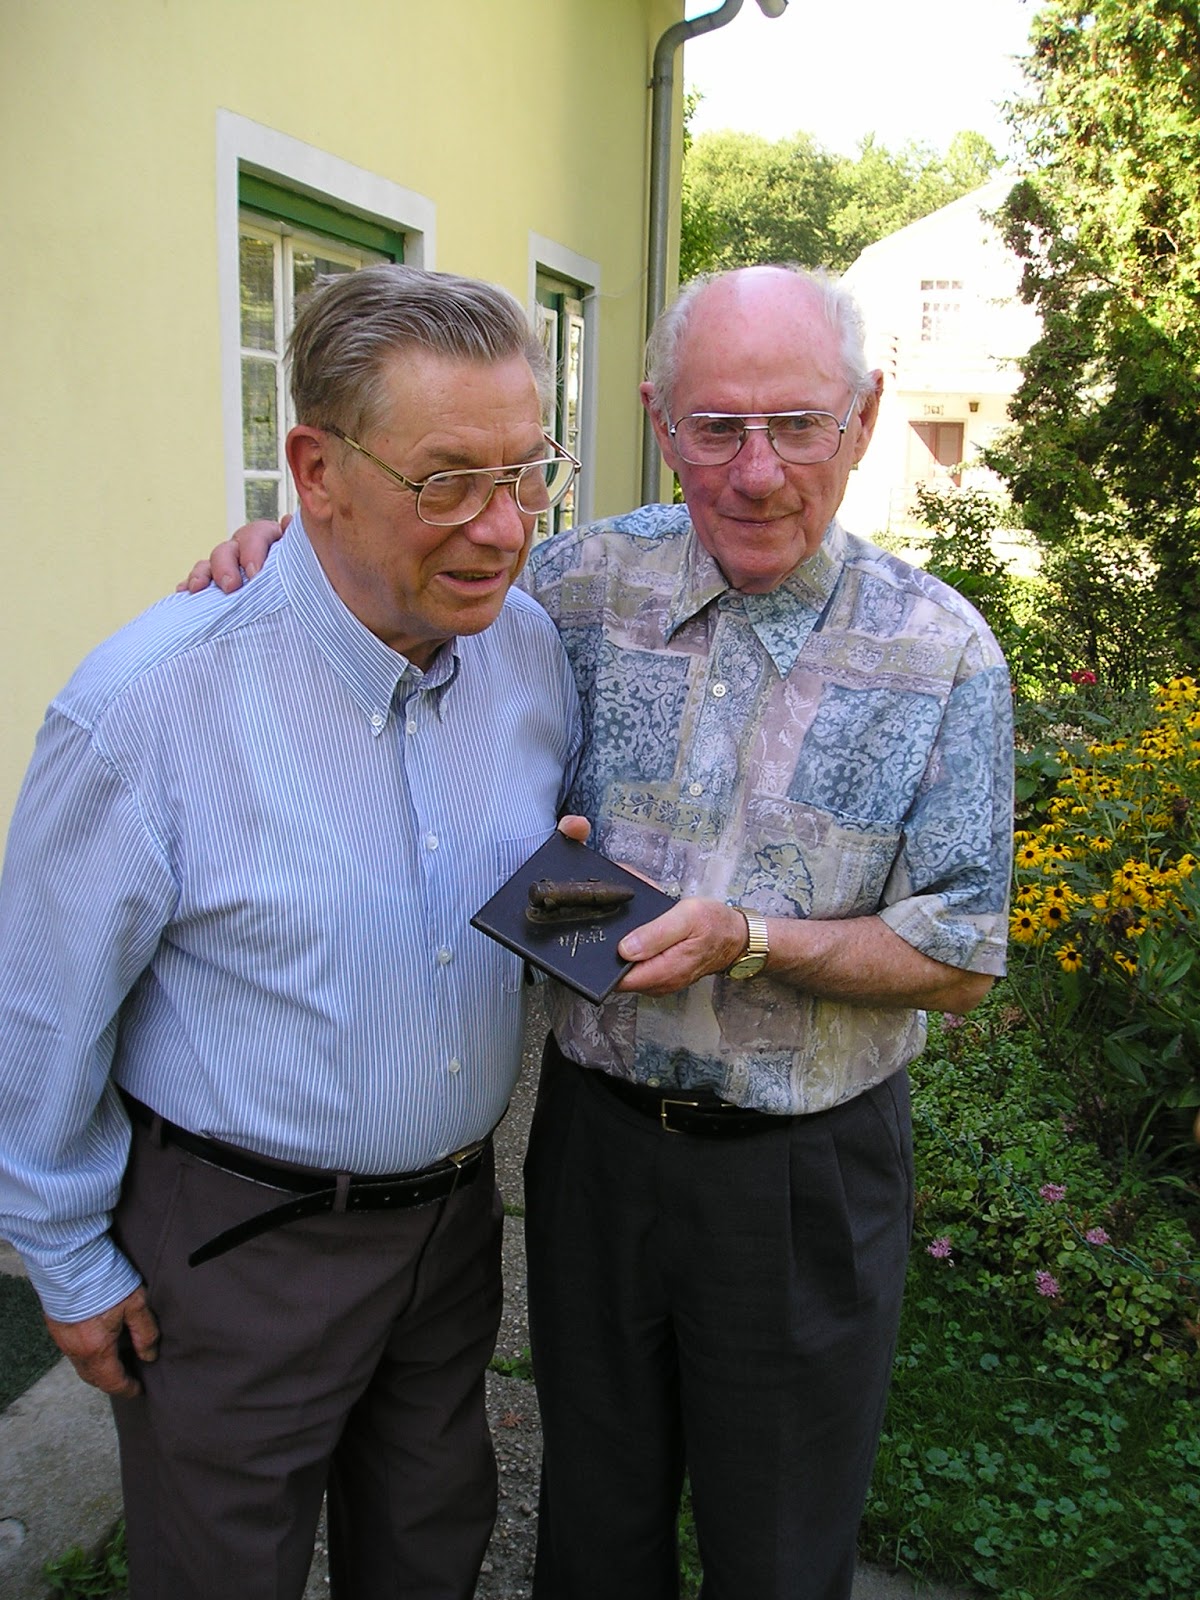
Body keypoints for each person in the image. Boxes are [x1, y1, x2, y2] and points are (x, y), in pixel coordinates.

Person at [194, 264, 1013, 1600]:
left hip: (804, 1181)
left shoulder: (944, 653)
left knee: (781, 1543)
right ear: (657, 416)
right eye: (715, 426)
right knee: (595, 1517)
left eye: (797, 425)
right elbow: (395, 590)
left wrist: (754, 936)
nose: (755, 472)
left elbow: (964, 953)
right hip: (599, 1153)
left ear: (863, 419)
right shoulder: (566, 587)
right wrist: (280, 548)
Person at [0, 264, 583, 1600]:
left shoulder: (530, 652)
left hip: (448, 1233)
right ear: (314, 468)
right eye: (449, 481)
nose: (503, 528)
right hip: (236, 1252)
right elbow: (41, 1012)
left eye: (529, 472)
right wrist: (70, 1261)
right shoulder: (148, 709)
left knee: (427, 1554)